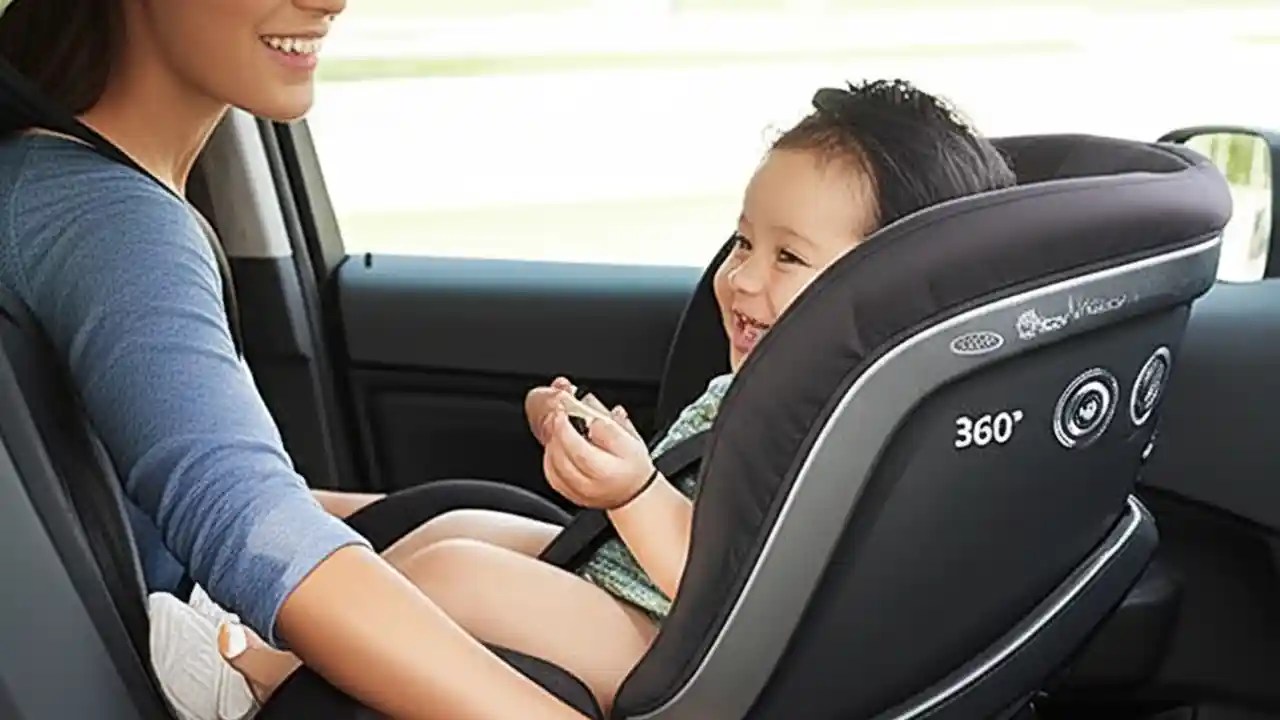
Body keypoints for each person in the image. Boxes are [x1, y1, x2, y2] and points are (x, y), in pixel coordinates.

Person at [159, 77, 1018, 719]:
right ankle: (288, 630)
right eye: (743, 242)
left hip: (684, 650)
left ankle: (264, 681)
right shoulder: (789, 384)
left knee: (456, 574)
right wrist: (607, 451)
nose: (741, 278)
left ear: (892, 289)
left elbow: (728, 589)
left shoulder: (840, 436)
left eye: (788, 259)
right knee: (461, 533)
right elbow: (690, 481)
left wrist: (634, 493)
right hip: (640, 591)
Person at [0, 1, 626, 719]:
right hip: (178, 651)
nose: (329, 0)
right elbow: (248, 524)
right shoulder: (107, 220)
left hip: (170, 600)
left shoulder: (57, 180)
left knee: (485, 526)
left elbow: (178, 498)